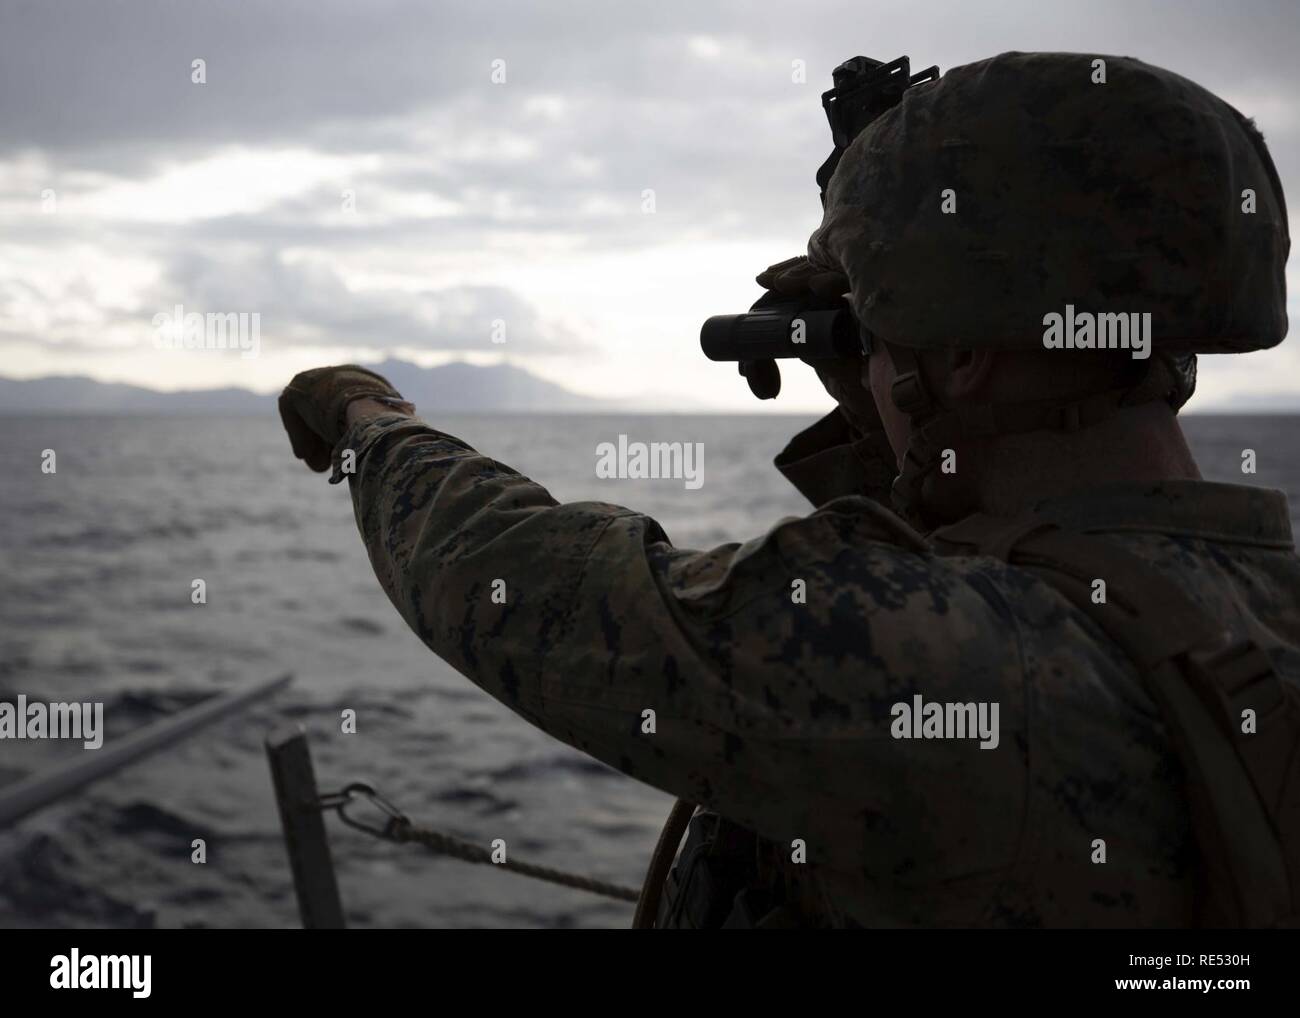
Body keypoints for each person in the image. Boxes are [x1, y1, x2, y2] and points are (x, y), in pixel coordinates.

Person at [278, 51, 1300, 928]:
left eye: (888, 329)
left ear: (967, 360)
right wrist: (886, 397)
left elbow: (516, 589)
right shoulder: (1240, 603)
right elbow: (987, 552)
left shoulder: (934, 657)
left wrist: (373, 423)